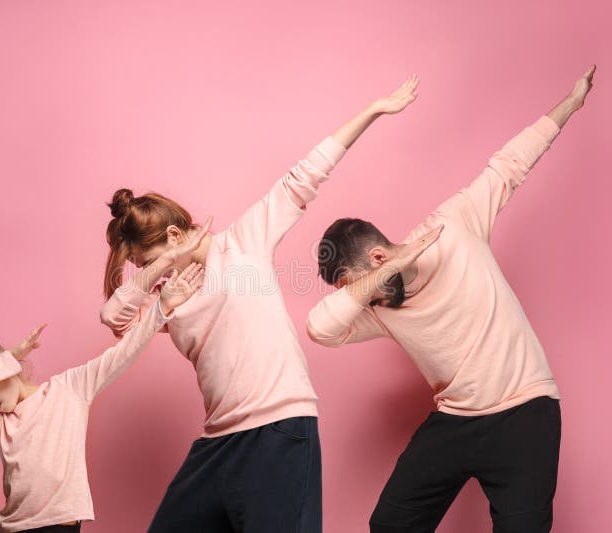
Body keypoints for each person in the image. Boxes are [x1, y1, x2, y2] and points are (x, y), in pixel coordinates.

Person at [100, 74, 428, 532]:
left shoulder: (243, 243)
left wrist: (373, 110)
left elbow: (306, 174)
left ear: (174, 235)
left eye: (147, 259)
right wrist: (158, 271)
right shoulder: (170, 295)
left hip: (278, 432)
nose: (149, 272)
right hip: (216, 443)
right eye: (141, 266)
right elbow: (112, 317)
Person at [307, 66, 596, 533]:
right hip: (455, 422)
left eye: (356, 283)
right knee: (390, 526)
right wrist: (370, 283)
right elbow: (320, 328)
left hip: (524, 412)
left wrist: (572, 101)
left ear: (378, 254)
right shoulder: (378, 308)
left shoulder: (453, 227)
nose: (359, 299)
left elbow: (508, 166)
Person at [0, 264, 204, 533]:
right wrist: (9, 358)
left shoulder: (69, 389)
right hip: (15, 529)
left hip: (61, 526)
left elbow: (122, 353)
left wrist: (161, 308)